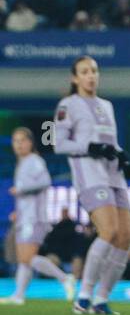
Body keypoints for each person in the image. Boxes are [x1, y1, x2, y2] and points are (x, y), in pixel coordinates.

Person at [53, 56, 130, 315]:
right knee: (108, 231)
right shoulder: (68, 105)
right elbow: (59, 144)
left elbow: (108, 140)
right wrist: (89, 147)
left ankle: (101, 299)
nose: (91, 76)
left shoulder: (106, 106)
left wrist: (122, 155)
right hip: (90, 176)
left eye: (94, 71)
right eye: (85, 72)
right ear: (75, 78)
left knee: (125, 238)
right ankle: (84, 295)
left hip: (114, 176)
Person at [1, 128, 76, 304]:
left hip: (34, 219)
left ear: (30, 142)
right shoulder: (22, 163)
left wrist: (20, 189)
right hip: (25, 217)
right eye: (15, 141)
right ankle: (18, 296)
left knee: (27, 258)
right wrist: (18, 212)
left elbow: (45, 181)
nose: (18, 145)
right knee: (23, 260)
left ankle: (65, 278)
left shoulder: (34, 160)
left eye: (22, 141)